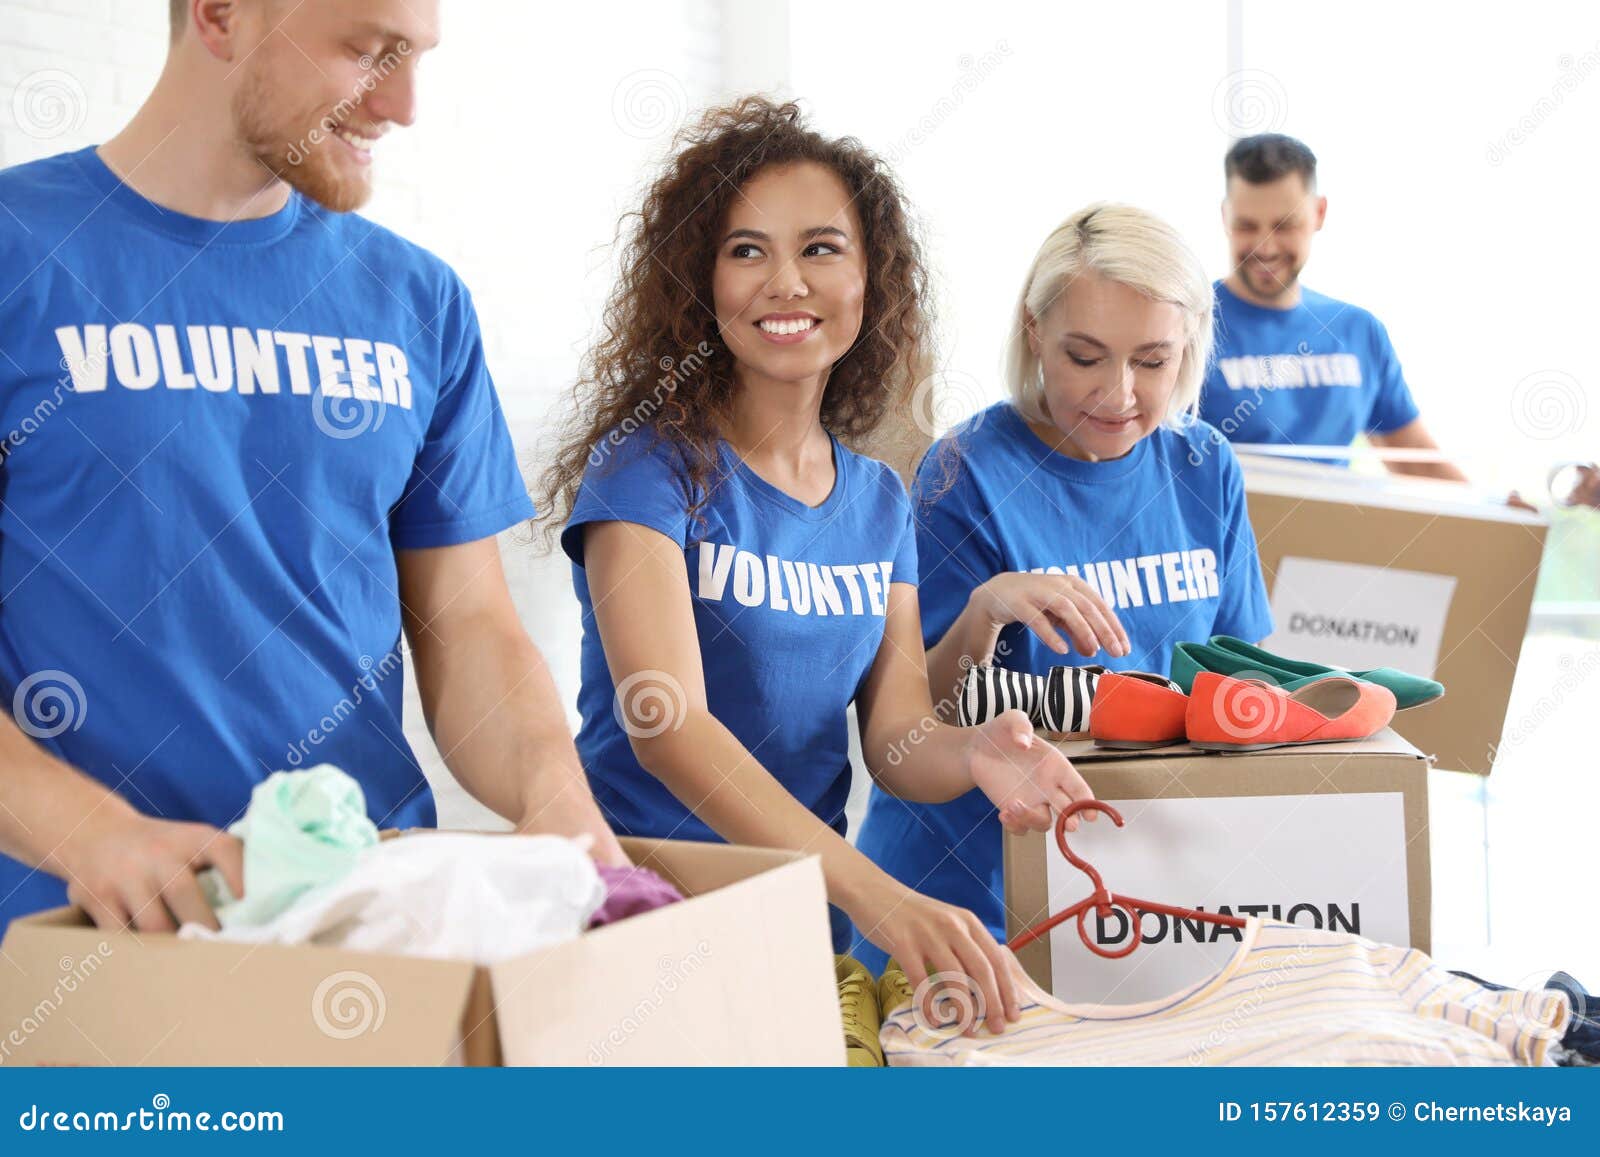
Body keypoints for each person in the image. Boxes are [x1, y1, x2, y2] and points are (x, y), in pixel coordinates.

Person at [0, 0, 624, 939]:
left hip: (365, 930)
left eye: (415, 57)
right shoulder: (20, 254)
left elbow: (468, 625)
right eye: (370, 53)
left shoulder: (419, 302)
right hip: (82, 947)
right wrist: (97, 833)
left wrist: (555, 796)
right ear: (219, 15)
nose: (406, 105)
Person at [542, 97, 1093, 1027]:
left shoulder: (880, 499)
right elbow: (666, 727)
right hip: (641, 916)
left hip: (793, 933)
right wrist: (877, 895)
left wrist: (974, 752)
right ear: (698, 282)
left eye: (821, 249)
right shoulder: (647, 468)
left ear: (870, 281)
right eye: (745, 250)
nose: (784, 282)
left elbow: (896, 738)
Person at [852, 204, 1274, 972]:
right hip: (964, 906)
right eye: (1085, 356)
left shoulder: (1203, 465)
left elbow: (1239, 682)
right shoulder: (964, 474)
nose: (1118, 393)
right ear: (1033, 332)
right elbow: (906, 730)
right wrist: (983, 612)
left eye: (1152, 361)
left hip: (1125, 899)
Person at [1201, 133, 1479, 483]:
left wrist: (1500, 510)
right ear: (1225, 218)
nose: (1264, 247)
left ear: (1319, 213)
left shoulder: (1359, 332)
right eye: (1246, 226)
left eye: (1284, 225)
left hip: (1334, 536)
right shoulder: (1187, 329)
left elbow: (1414, 461)